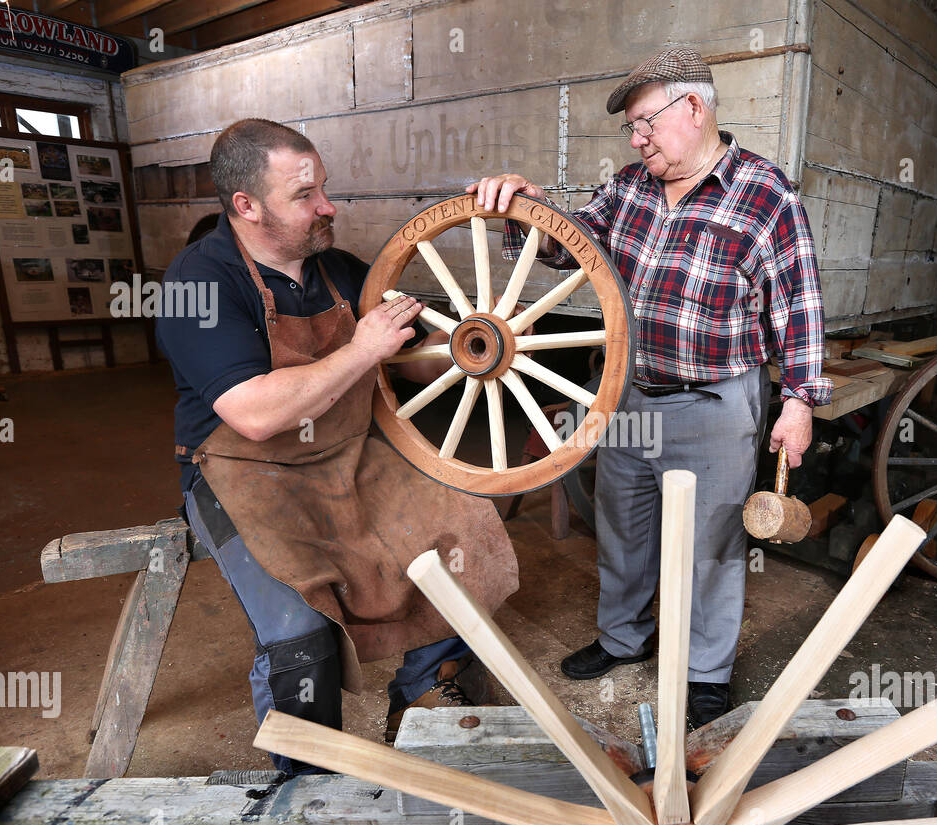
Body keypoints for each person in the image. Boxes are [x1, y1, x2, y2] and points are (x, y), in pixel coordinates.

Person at [470, 47, 831, 728]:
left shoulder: (766, 194)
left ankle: (704, 673)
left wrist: (801, 400)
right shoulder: (629, 188)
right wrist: (528, 209)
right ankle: (622, 641)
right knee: (622, 527)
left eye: (645, 123)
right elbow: (565, 246)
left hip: (716, 401)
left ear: (693, 108)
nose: (637, 141)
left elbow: (799, 304)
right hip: (626, 395)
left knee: (713, 545)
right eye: (632, 129)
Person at [156, 119, 519, 771]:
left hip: (346, 456)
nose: (328, 207)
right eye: (304, 195)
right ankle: (310, 774)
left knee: (457, 540)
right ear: (246, 205)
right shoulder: (199, 284)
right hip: (241, 474)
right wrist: (363, 349)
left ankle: (425, 700)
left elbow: (412, 361)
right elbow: (255, 413)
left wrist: (470, 348)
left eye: (324, 188)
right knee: (301, 636)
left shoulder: (341, 272)